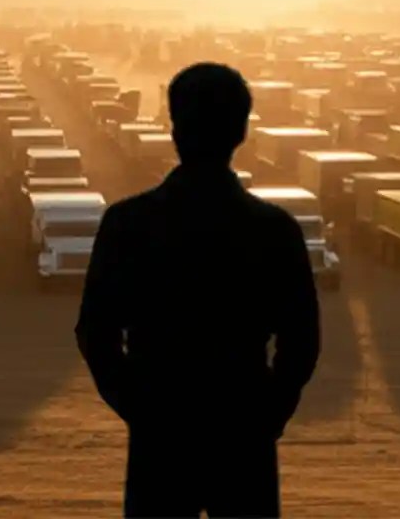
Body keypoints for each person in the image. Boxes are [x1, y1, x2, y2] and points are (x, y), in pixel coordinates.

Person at [76, 62, 320, 518]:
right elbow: (301, 342)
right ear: (242, 132)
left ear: (174, 129)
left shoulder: (129, 224)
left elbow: (96, 333)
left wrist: (141, 409)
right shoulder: (273, 230)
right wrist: (268, 415)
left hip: (161, 438)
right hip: (243, 433)